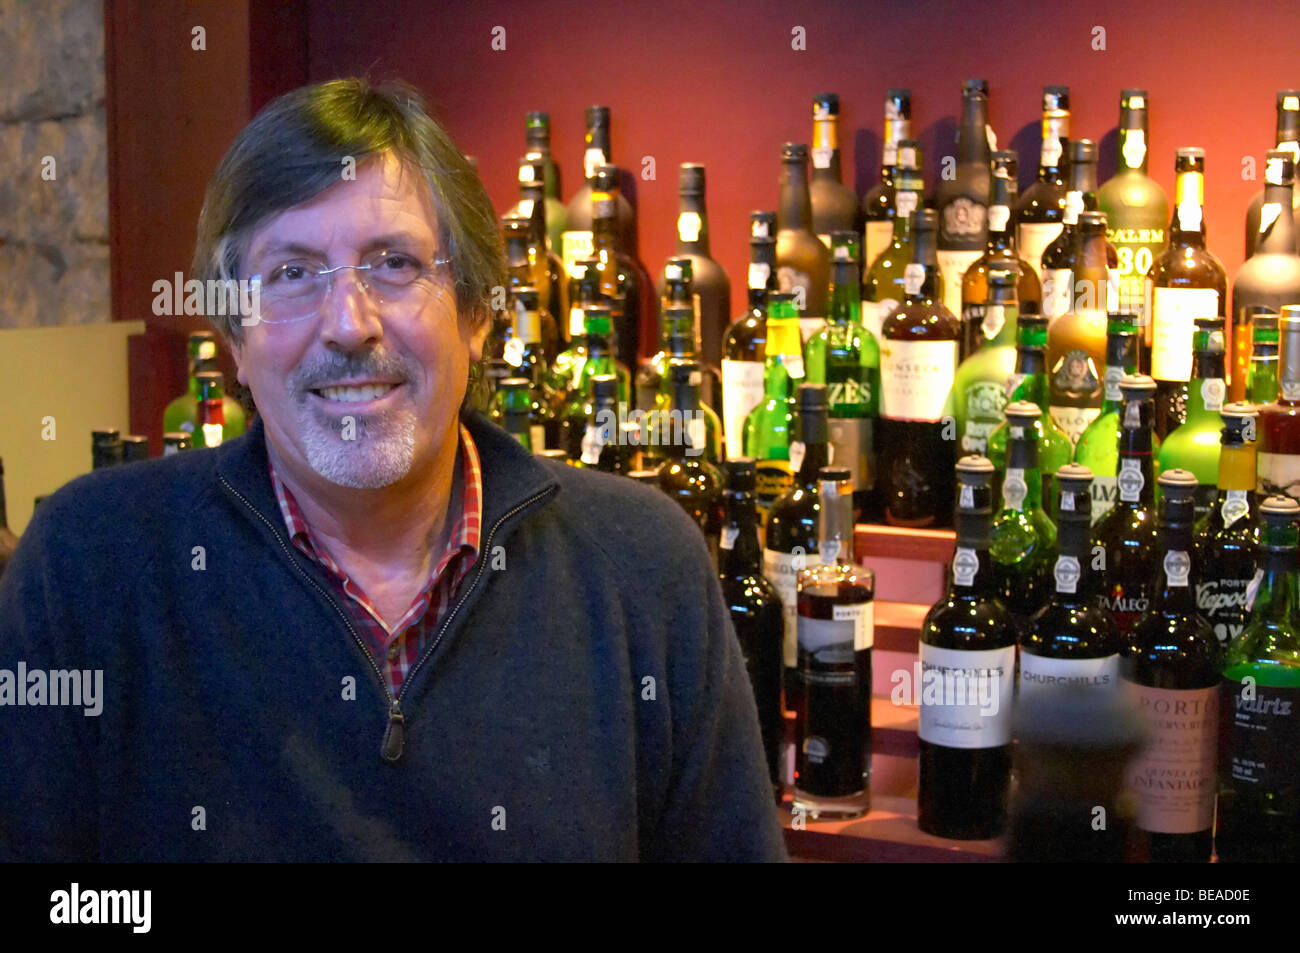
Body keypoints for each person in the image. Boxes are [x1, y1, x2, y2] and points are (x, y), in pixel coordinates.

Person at [0, 79, 787, 862]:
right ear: (235, 340)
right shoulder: (86, 568)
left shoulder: (643, 567)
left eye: (394, 263)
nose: (348, 324)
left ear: (477, 314)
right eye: (291, 273)